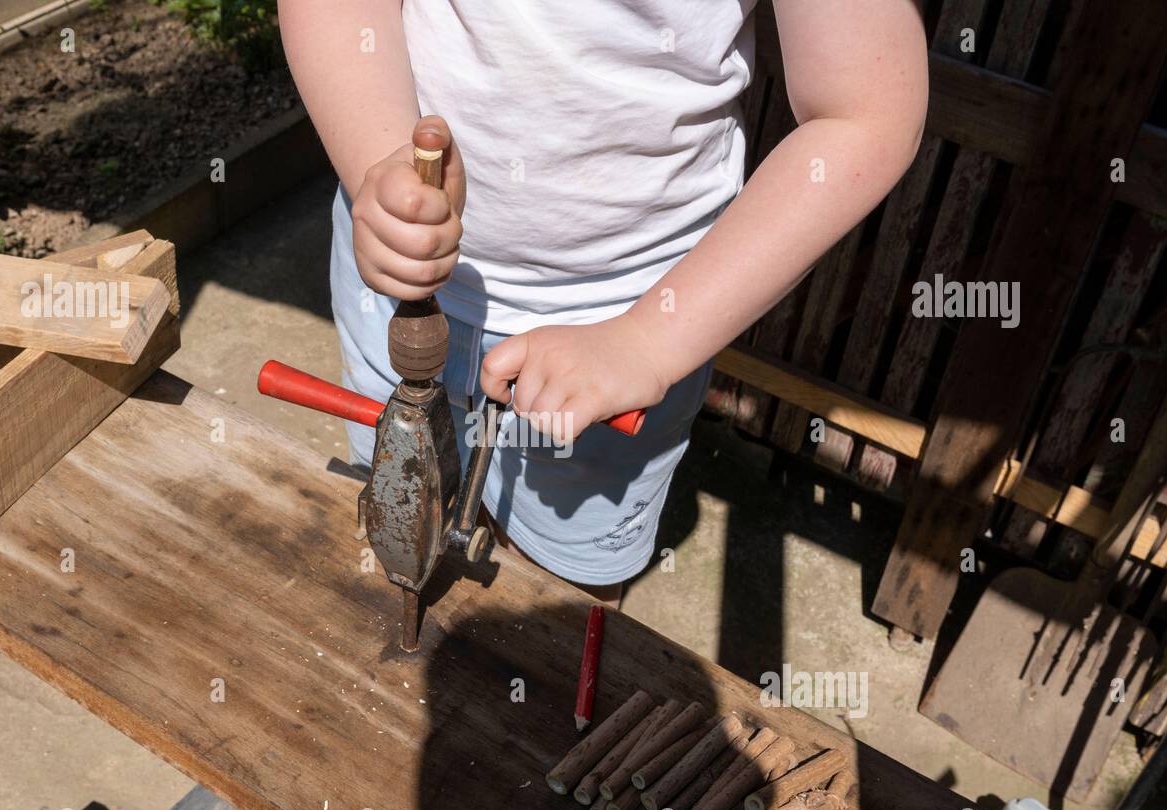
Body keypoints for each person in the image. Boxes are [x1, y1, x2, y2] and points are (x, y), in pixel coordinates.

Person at [280, 0, 928, 602]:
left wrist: (649, 341)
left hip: (619, 336)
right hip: (390, 298)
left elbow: (864, 113)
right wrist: (378, 162)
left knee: (557, 608)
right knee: (398, 533)